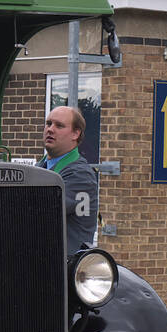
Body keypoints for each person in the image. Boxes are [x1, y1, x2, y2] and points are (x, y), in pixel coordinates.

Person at [43, 105, 98, 253]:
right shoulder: (41, 167)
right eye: (48, 124)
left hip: (66, 268)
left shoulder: (80, 175)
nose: (50, 129)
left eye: (59, 126)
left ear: (75, 134)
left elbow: (39, 212)